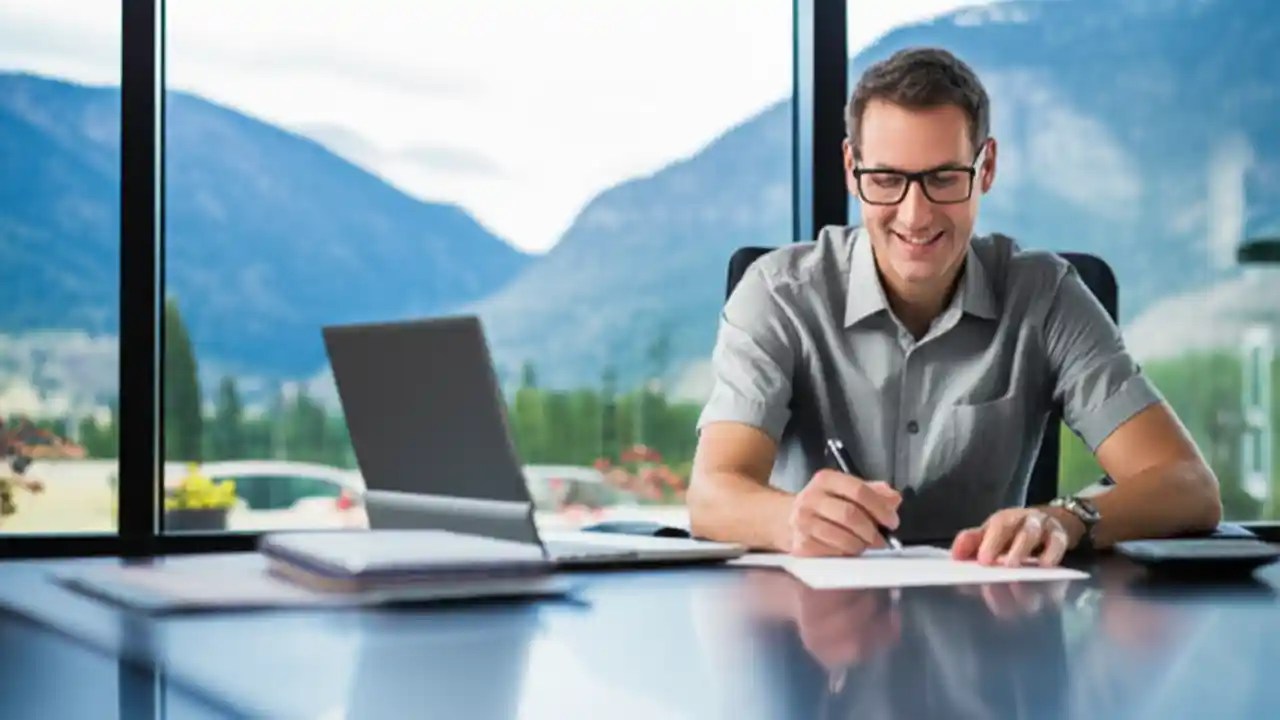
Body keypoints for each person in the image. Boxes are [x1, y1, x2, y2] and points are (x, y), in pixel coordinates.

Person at [687, 47, 1221, 567]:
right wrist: (789, 520)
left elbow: (1189, 485)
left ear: (985, 168)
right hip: (814, 630)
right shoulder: (778, 293)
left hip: (992, 622)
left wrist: (1066, 518)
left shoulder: (1045, 295)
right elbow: (711, 494)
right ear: (852, 170)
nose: (915, 215)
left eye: (944, 178)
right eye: (887, 180)